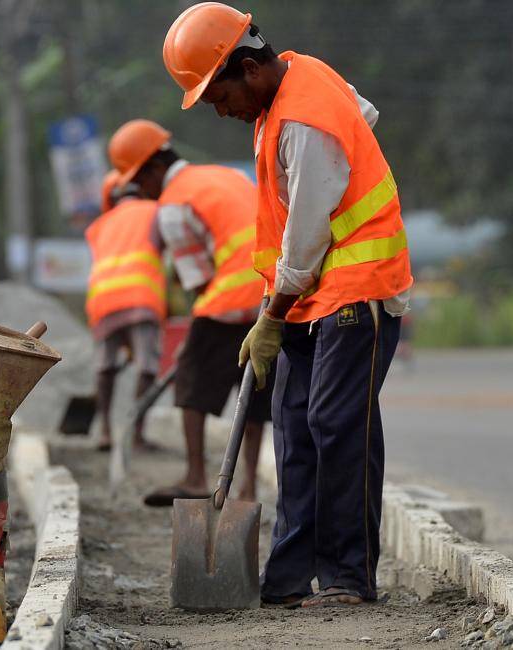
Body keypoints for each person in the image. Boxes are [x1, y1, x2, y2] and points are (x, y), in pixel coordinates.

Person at [163, 3, 413, 608]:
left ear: (247, 68)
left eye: (219, 97)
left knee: (335, 423)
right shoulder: (295, 85)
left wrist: (270, 315)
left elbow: (305, 230)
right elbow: (366, 115)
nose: (222, 112)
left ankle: (348, 576)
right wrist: (278, 308)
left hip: (356, 287)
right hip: (309, 293)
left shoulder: (303, 117)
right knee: (295, 427)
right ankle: (288, 577)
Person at [106, 118, 272, 506]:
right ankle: (247, 487)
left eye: (139, 183)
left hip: (231, 298)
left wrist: (192, 343)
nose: (143, 193)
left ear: (154, 169)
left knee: (191, 384)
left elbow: (199, 280)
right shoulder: (222, 174)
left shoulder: (174, 205)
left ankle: (197, 476)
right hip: (273, 295)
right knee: (254, 389)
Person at [85, 171, 166, 452]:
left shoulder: (98, 225)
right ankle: (136, 434)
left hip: (103, 302)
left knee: (105, 365)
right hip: (141, 297)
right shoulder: (154, 211)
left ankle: (105, 431)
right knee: (147, 365)